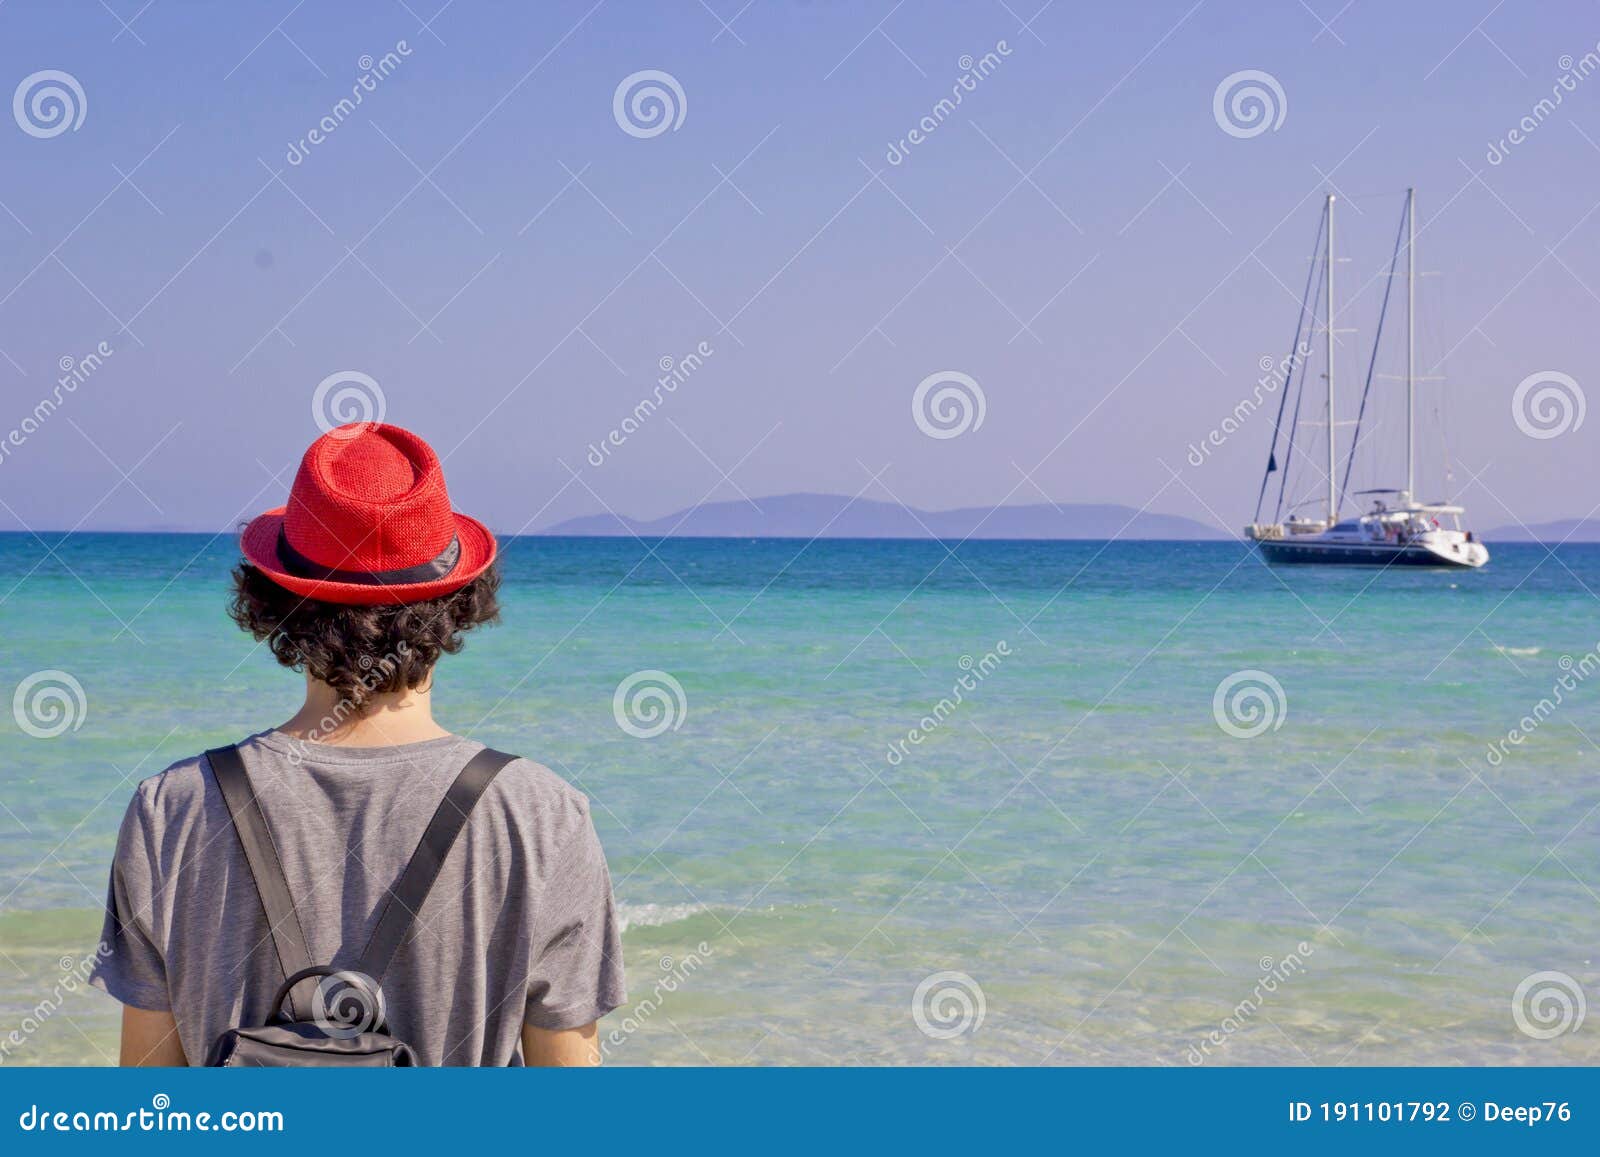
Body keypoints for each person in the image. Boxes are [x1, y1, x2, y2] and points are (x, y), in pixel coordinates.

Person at [90, 422, 624, 1065]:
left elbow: (147, 1108)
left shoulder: (171, 808)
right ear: (457, 598)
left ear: (273, 598)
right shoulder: (541, 816)